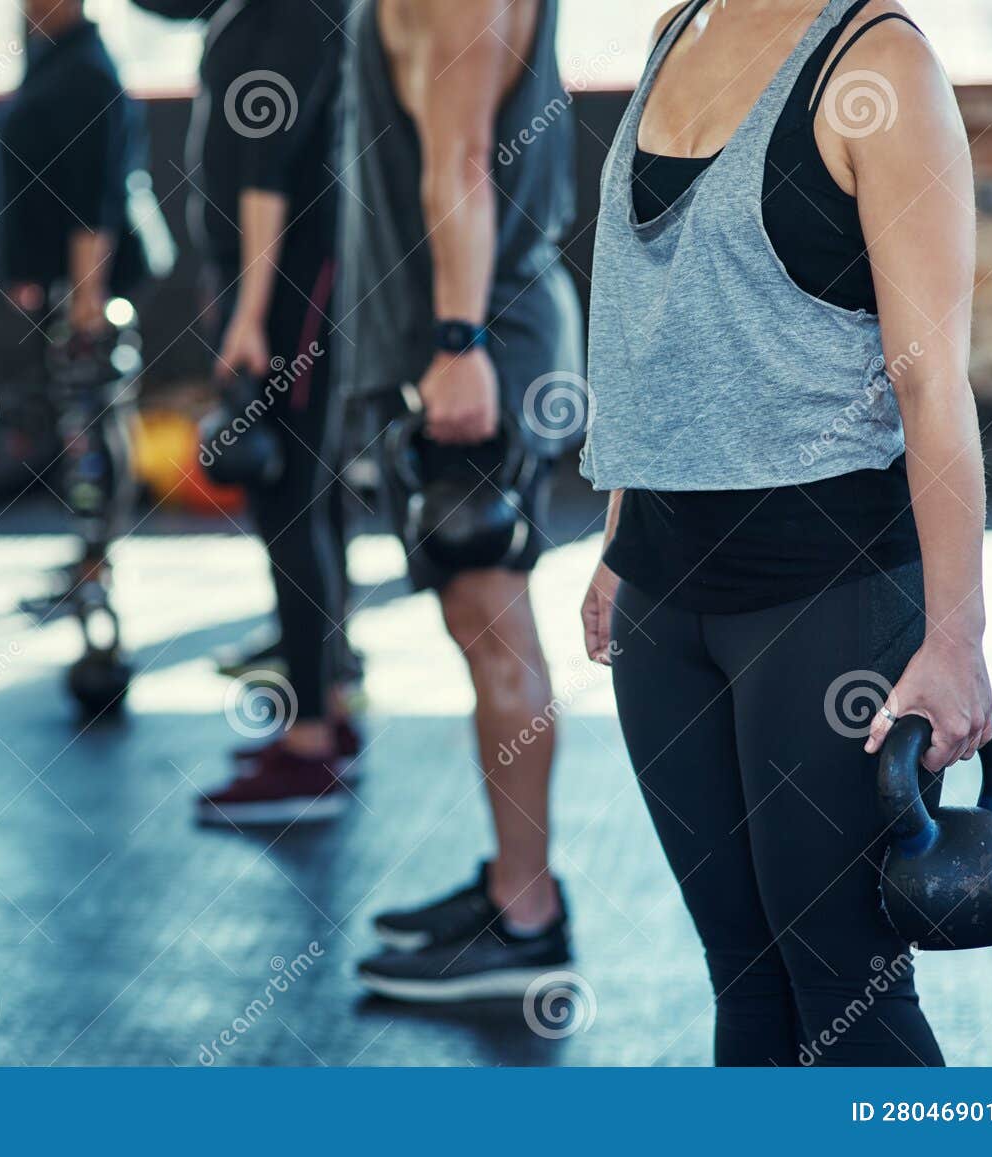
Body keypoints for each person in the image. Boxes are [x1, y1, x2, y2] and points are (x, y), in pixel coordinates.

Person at [579, 0, 992, 1065]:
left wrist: (953, 639)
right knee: (746, 980)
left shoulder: (880, 66)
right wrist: (620, 529)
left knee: (846, 988)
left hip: (825, 595)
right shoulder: (678, 30)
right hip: (664, 600)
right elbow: (658, 321)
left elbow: (934, 387)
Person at [339, 0, 585, 1001]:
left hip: (479, 345)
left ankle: (525, 914)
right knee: (477, 624)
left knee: (495, 634)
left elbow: (465, 156)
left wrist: (455, 342)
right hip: (466, 334)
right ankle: (507, 880)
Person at [131, 0, 359, 822]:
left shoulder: (296, 15)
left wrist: (251, 313)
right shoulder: (254, 12)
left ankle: (309, 749)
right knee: (309, 501)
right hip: (267, 284)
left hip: (287, 289)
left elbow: (267, 172)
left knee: (289, 506)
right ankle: (327, 713)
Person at [0, 0, 157, 633]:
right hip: (59, 287)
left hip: (85, 293)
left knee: (94, 424)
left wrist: (87, 300)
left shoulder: (86, 73)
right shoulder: (52, 61)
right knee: (78, 422)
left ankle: (95, 569)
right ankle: (87, 562)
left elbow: (94, 200)